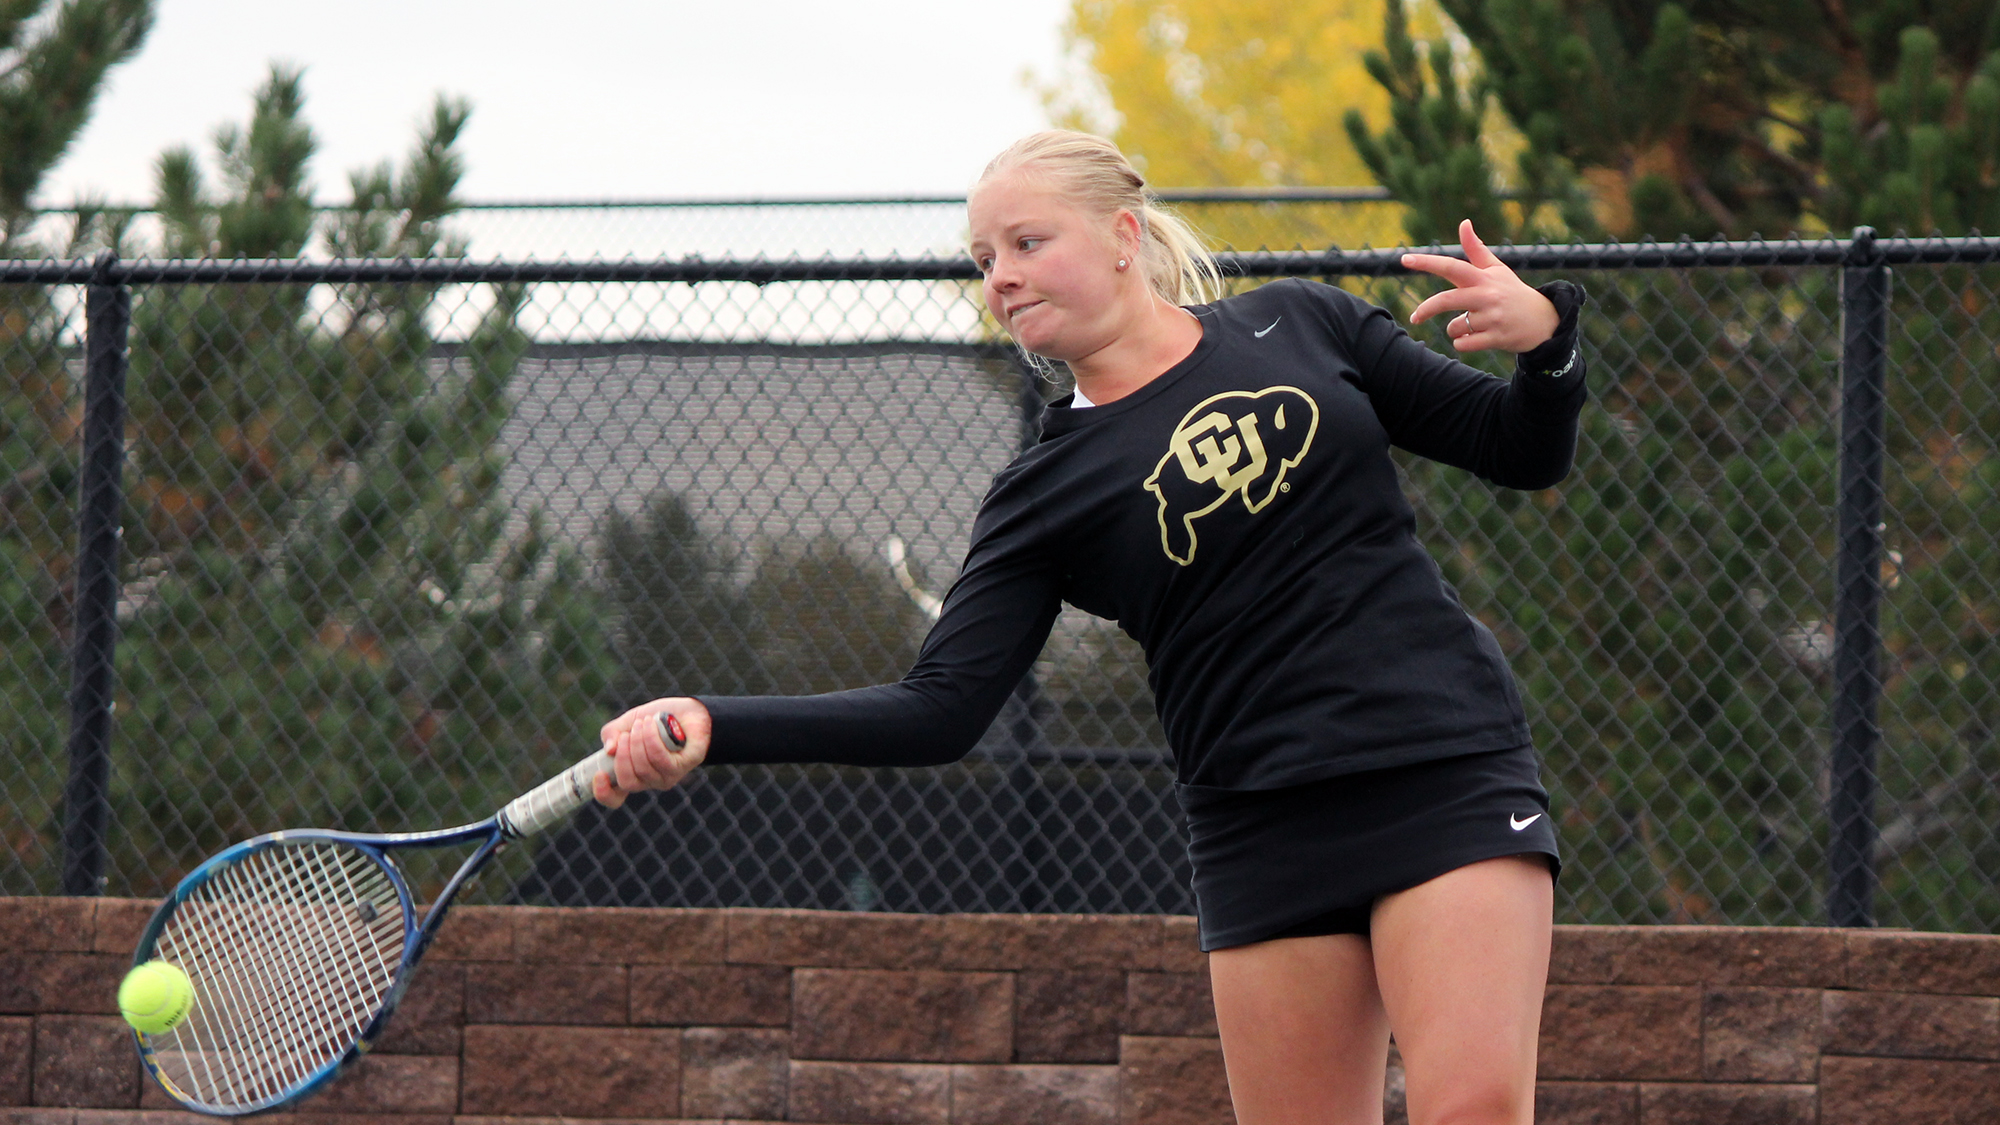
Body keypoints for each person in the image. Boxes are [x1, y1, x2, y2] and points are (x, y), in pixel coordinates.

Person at [591, 130, 1587, 1125]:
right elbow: (936, 712)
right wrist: (717, 723)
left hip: (1439, 768)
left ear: (1119, 234)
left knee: (1472, 1110)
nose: (1001, 279)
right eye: (984, 261)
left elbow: (1517, 449)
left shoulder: (1301, 323)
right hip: (1259, 828)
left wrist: (1546, 348)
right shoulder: (1039, 493)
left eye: (1025, 244)